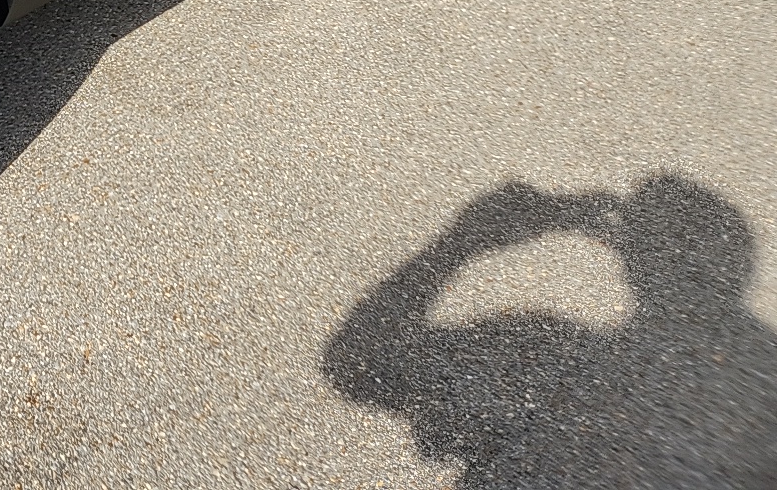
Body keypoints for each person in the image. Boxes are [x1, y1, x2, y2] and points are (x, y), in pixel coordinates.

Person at [322, 176, 777, 488]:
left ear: (626, 257)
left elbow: (358, 363)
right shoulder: (765, 389)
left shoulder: (543, 358)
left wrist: (460, 243)